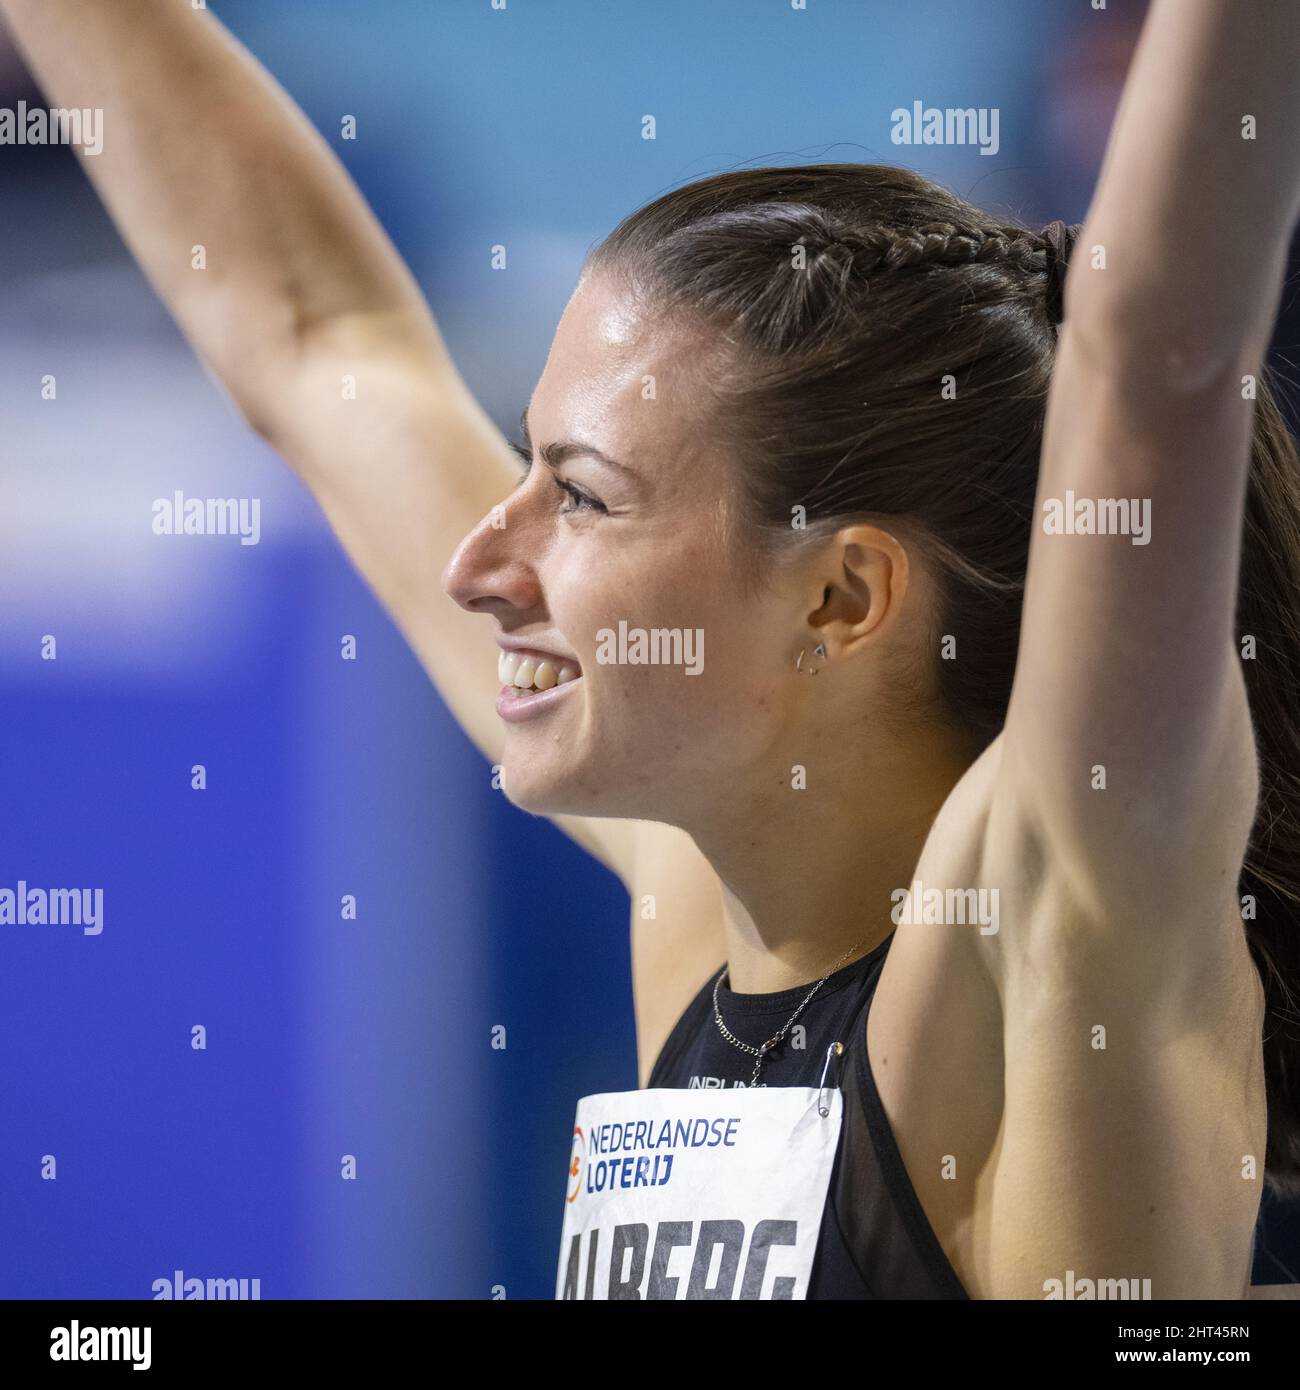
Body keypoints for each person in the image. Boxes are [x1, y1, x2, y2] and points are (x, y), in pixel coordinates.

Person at [5, 0, 1300, 1299]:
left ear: (842, 598)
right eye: (525, 465)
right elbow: (315, 338)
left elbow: (1159, 370)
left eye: (579, 496)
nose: (476, 564)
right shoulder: (694, 907)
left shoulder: (1051, 943)